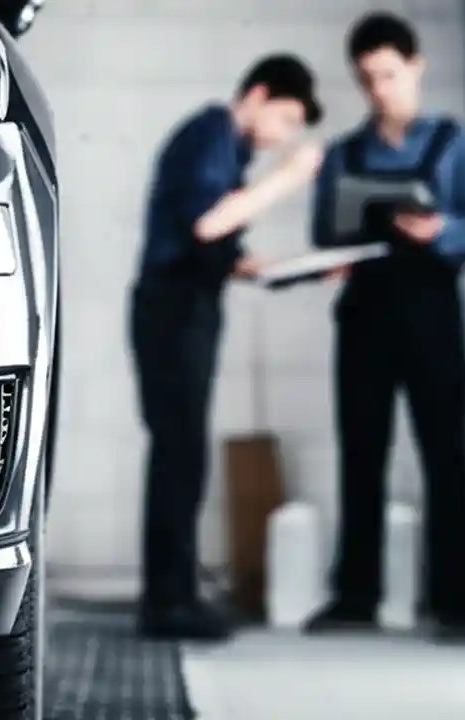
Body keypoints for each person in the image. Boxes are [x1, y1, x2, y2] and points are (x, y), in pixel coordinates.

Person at [305, 13, 465, 640]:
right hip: (363, 314)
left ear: (415, 65)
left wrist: (441, 231)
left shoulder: (456, 143)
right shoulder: (343, 154)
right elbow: (322, 234)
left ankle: (456, 600)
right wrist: (332, 259)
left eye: (388, 74)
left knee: (445, 457)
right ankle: (356, 597)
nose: (379, 88)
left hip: (432, 311)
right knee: (361, 456)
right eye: (367, 78)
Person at [132, 55, 324, 641]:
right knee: (179, 451)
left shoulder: (227, 147)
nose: (284, 136)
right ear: (259, 94)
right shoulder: (212, 132)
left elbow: (212, 242)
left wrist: (285, 269)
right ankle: (168, 603)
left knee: (182, 452)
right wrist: (287, 180)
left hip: (187, 307)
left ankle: (174, 595)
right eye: (286, 119)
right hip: (173, 311)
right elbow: (207, 227)